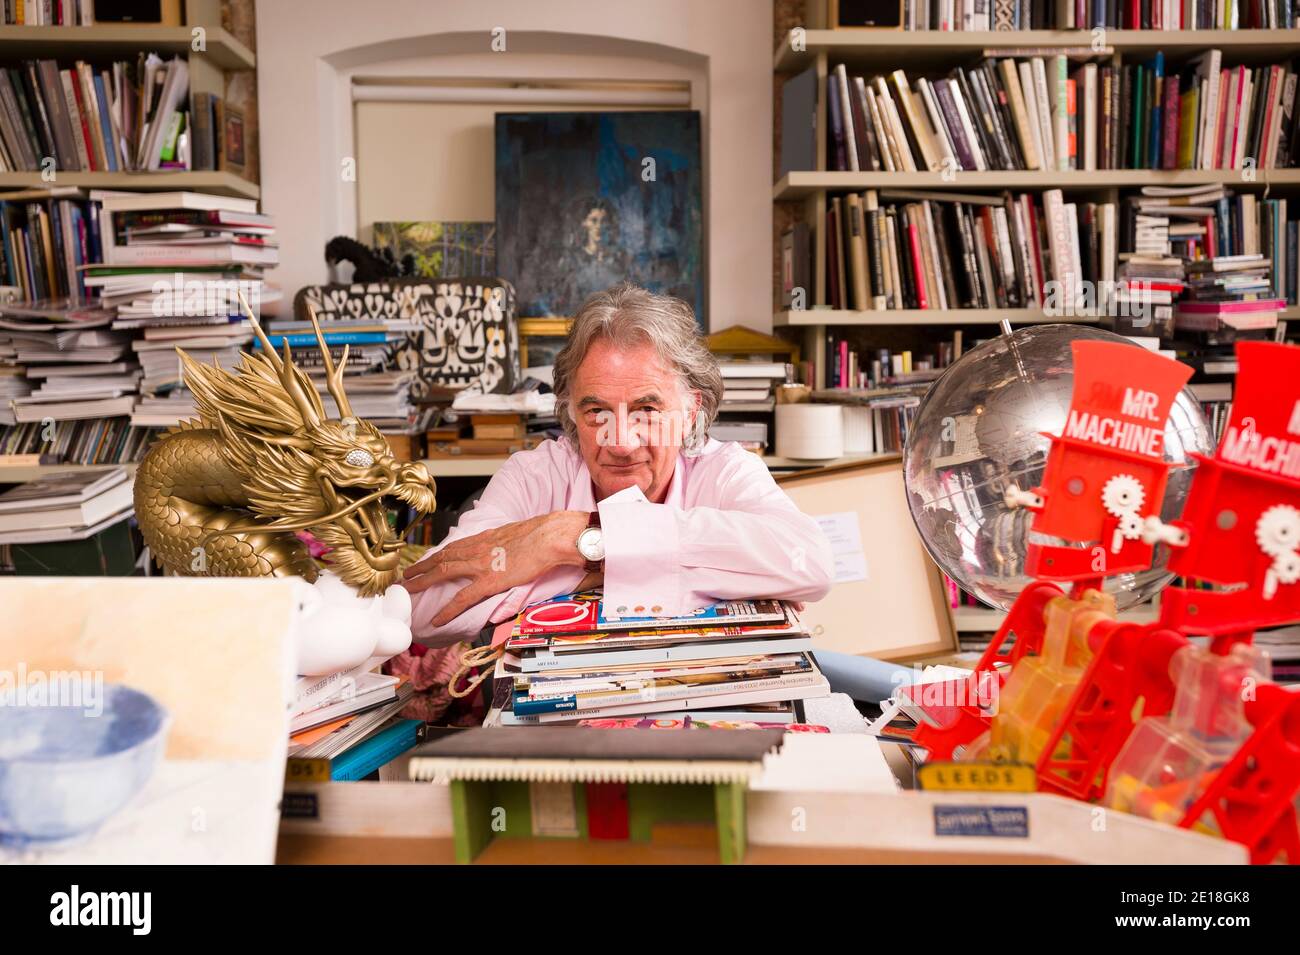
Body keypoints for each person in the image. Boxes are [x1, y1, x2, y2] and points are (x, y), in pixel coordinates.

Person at [402, 282, 834, 646]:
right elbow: (422, 612)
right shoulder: (534, 476)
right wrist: (667, 569)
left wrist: (571, 541)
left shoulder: (725, 472)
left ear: (690, 410)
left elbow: (808, 563)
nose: (622, 442)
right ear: (570, 410)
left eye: (647, 409)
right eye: (596, 412)